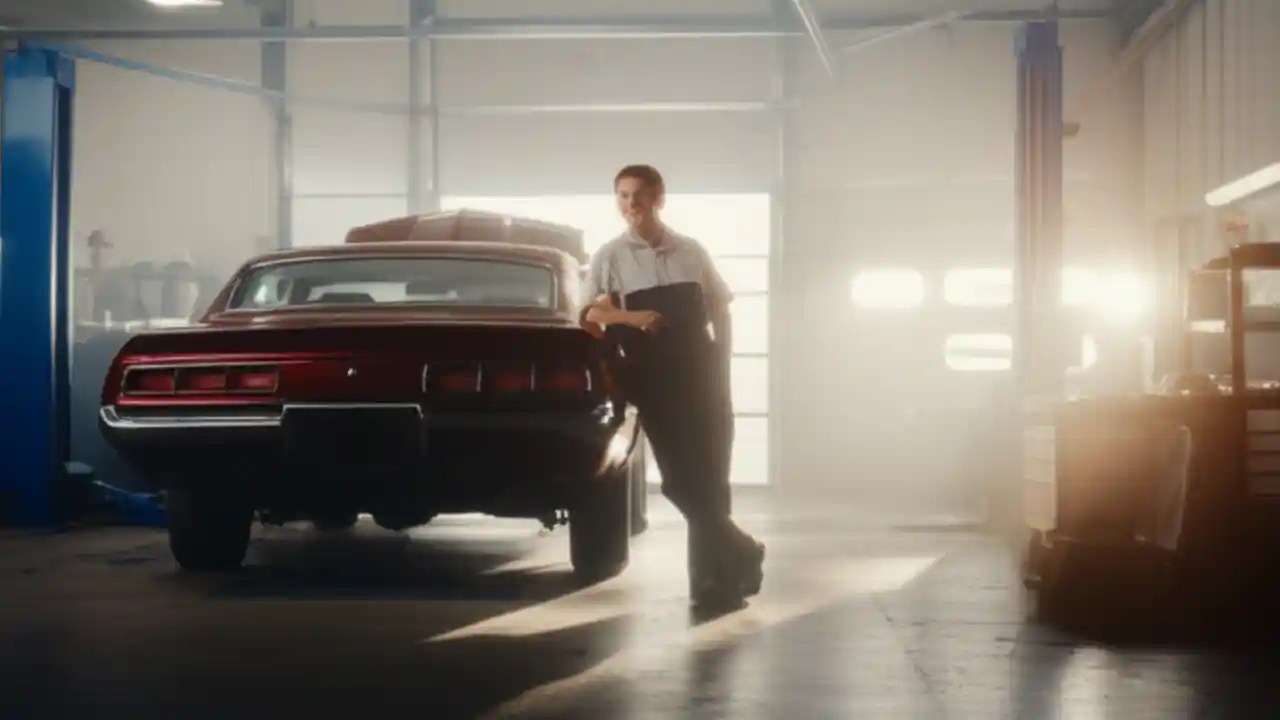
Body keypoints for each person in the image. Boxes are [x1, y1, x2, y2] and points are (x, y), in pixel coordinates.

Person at [579, 164, 765, 609]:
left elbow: (721, 310)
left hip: (701, 375)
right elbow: (590, 317)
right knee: (679, 484)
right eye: (623, 196)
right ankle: (743, 549)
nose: (631, 205)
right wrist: (631, 317)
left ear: (660, 198)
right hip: (651, 379)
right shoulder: (611, 256)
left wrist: (722, 369)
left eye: (640, 195)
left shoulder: (691, 251)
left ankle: (715, 584)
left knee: (710, 480)